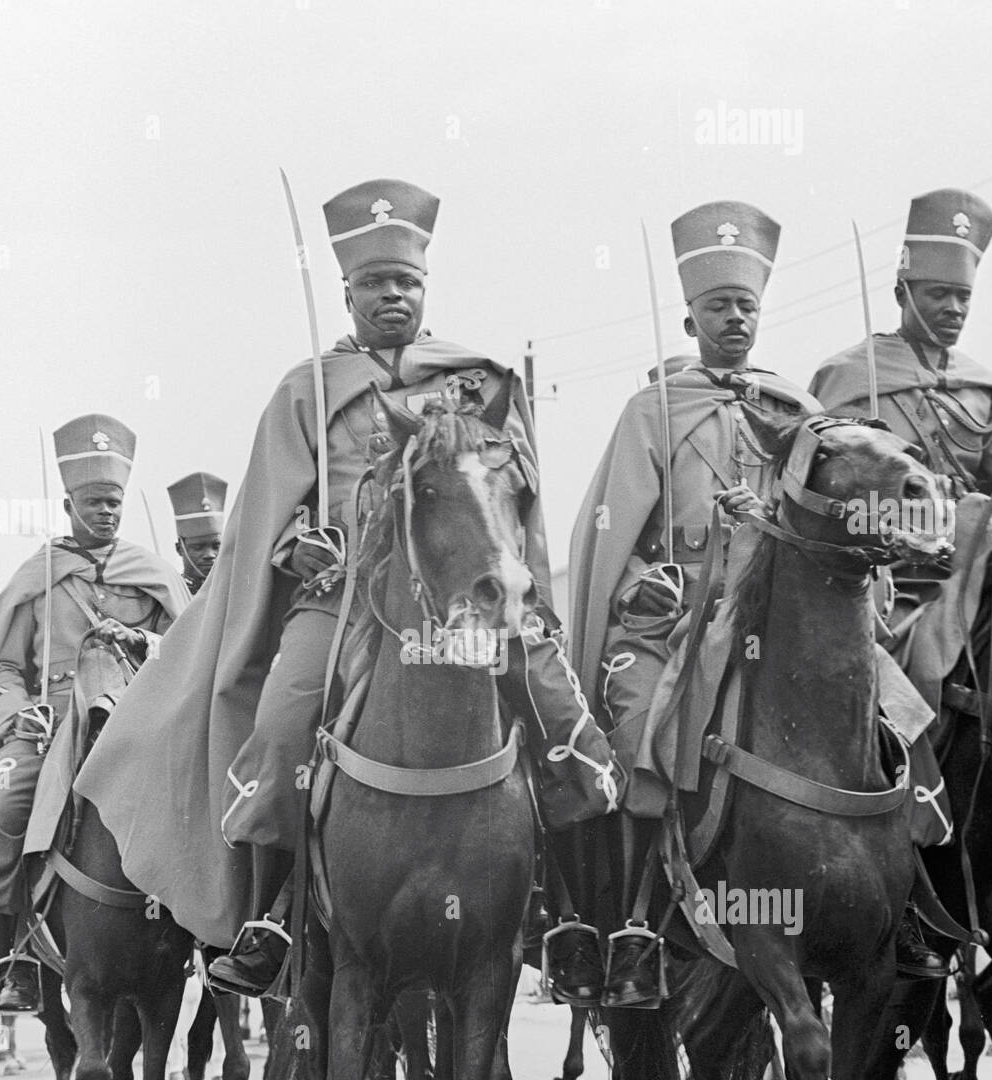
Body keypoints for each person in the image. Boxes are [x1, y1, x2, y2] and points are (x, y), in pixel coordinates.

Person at [75, 177, 620, 999]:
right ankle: (268, 920)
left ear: (424, 288)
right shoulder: (306, 390)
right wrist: (297, 546)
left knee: (557, 709)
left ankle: (574, 916)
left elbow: (517, 487)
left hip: (463, 598)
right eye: (374, 284)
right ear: (349, 292)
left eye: (404, 282)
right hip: (343, 598)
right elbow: (265, 518)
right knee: (283, 718)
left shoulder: (477, 380)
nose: (390, 296)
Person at [565, 201, 822, 1006]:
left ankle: (907, 903)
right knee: (641, 727)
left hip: (773, 620)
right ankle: (638, 923)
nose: (735, 317)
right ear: (690, 317)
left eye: (745, 305)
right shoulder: (653, 410)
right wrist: (646, 580)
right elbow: (609, 531)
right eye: (718, 307)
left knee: (892, 720)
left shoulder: (796, 409)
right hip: (669, 624)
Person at [810, 189, 992, 977]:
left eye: (962, 298)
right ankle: (904, 860)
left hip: (989, 573)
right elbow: (834, 488)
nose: (951, 311)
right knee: (905, 682)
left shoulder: (986, 388)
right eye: (938, 295)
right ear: (902, 289)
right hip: (899, 585)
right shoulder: (852, 377)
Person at [0, 416, 189, 1012]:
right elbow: (0, 666)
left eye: (114, 503)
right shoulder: (39, 578)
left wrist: (141, 644)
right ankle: (15, 960)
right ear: (69, 503)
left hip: (136, 722)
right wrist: (17, 712)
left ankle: (218, 933)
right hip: (50, 725)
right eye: (94, 502)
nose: (105, 513)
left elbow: (185, 651)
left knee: (202, 797)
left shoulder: (150, 576)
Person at [167, 472, 227, 595]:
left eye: (216, 546)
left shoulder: (232, 593)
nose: (210, 555)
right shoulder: (170, 594)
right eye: (198, 547)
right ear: (179, 549)